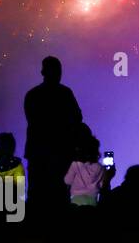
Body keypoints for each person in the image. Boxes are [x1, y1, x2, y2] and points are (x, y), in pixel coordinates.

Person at [24, 56, 84, 210]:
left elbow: (33, 122)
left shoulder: (32, 95)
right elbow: (77, 118)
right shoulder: (65, 93)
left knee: (37, 197)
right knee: (60, 198)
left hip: (38, 154)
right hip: (60, 155)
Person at [64, 132, 110, 207]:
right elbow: (102, 185)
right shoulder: (100, 167)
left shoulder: (75, 165)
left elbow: (67, 181)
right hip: (92, 201)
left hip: (76, 200)